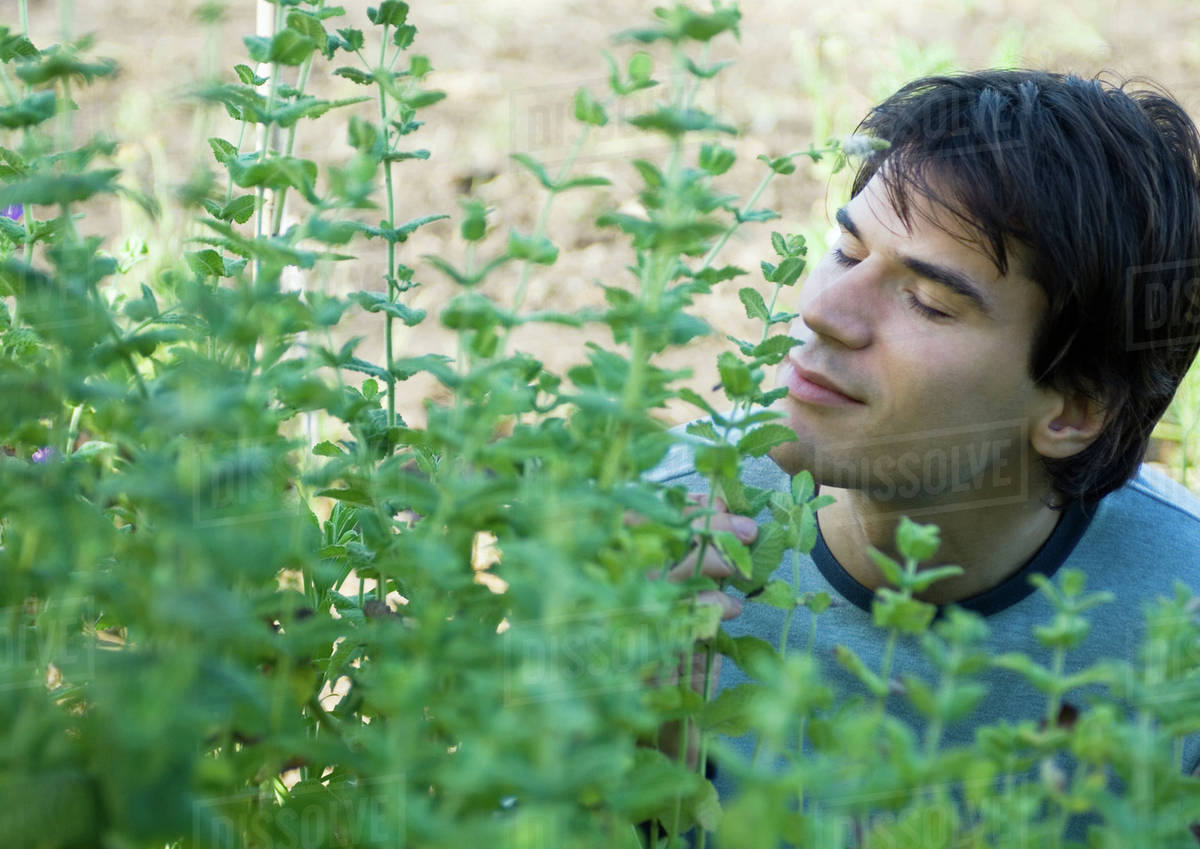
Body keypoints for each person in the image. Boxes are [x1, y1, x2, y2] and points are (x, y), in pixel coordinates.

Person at [651, 68, 1200, 827]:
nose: (824, 311)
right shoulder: (652, 526)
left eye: (929, 301)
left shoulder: (1181, 611)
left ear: (1073, 409)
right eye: (847, 253)